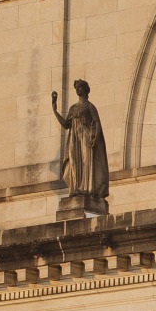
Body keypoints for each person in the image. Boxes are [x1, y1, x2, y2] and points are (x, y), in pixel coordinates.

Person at [52, 80, 109, 215]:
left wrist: (95, 138)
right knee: (75, 163)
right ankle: (76, 188)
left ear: (85, 90)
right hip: (74, 139)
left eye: (80, 87)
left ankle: (86, 188)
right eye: (76, 88)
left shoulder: (90, 106)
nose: (78, 90)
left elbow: (97, 122)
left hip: (85, 137)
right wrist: (55, 111)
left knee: (85, 162)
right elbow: (66, 124)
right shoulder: (73, 108)